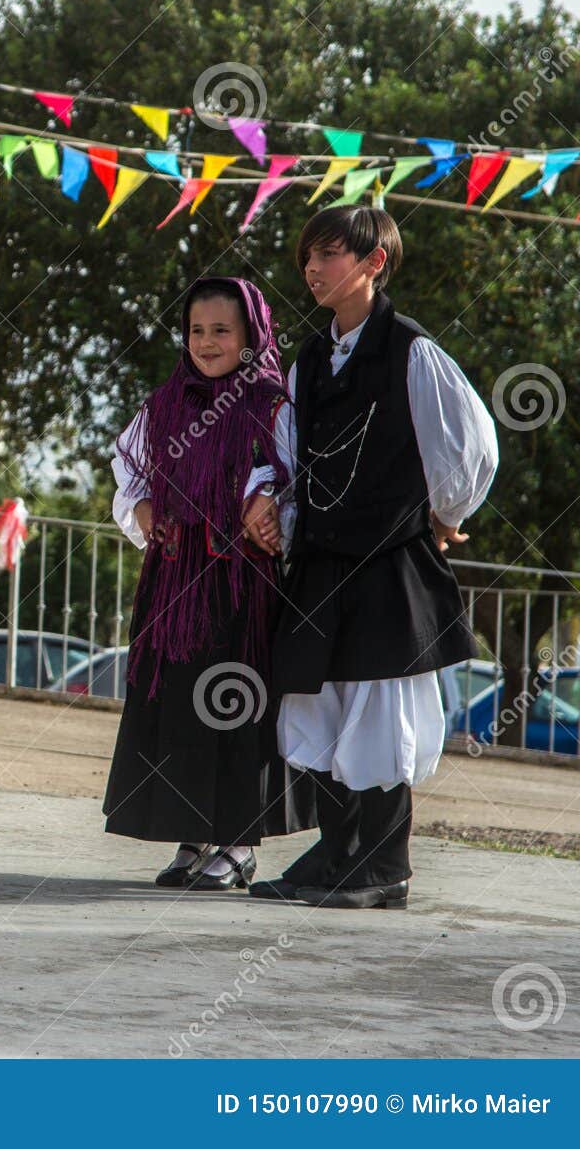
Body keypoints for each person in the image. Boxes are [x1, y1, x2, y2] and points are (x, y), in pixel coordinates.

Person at [250, 205, 498, 909]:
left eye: (329, 254)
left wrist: (446, 512)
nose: (313, 268)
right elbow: (290, 453)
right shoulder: (307, 358)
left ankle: (385, 865)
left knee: (382, 712)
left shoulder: (411, 350)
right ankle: (336, 853)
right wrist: (276, 506)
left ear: (373, 263)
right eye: (308, 256)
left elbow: (471, 442)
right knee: (321, 703)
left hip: (389, 564)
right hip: (323, 562)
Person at [104, 277, 315, 889]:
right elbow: (131, 479)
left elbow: (288, 483)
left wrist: (269, 512)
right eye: (197, 330)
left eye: (222, 330)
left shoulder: (273, 406)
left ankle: (237, 844)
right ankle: (190, 835)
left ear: (251, 335)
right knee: (176, 707)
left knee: (234, 707)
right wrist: (141, 512)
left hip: (238, 590)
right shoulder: (164, 404)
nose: (206, 342)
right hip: (172, 589)